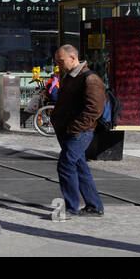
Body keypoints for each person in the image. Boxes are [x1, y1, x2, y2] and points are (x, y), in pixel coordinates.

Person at [50, 44, 106, 219]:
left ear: (73, 58)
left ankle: (70, 208)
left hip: (80, 132)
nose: (59, 65)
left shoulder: (90, 79)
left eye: (61, 61)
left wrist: (75, 128)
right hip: (67, 130)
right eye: (57, 62)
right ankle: (94, 206)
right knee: (80, 167)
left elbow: (94, 109)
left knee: (66, 164)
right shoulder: (69, 77)